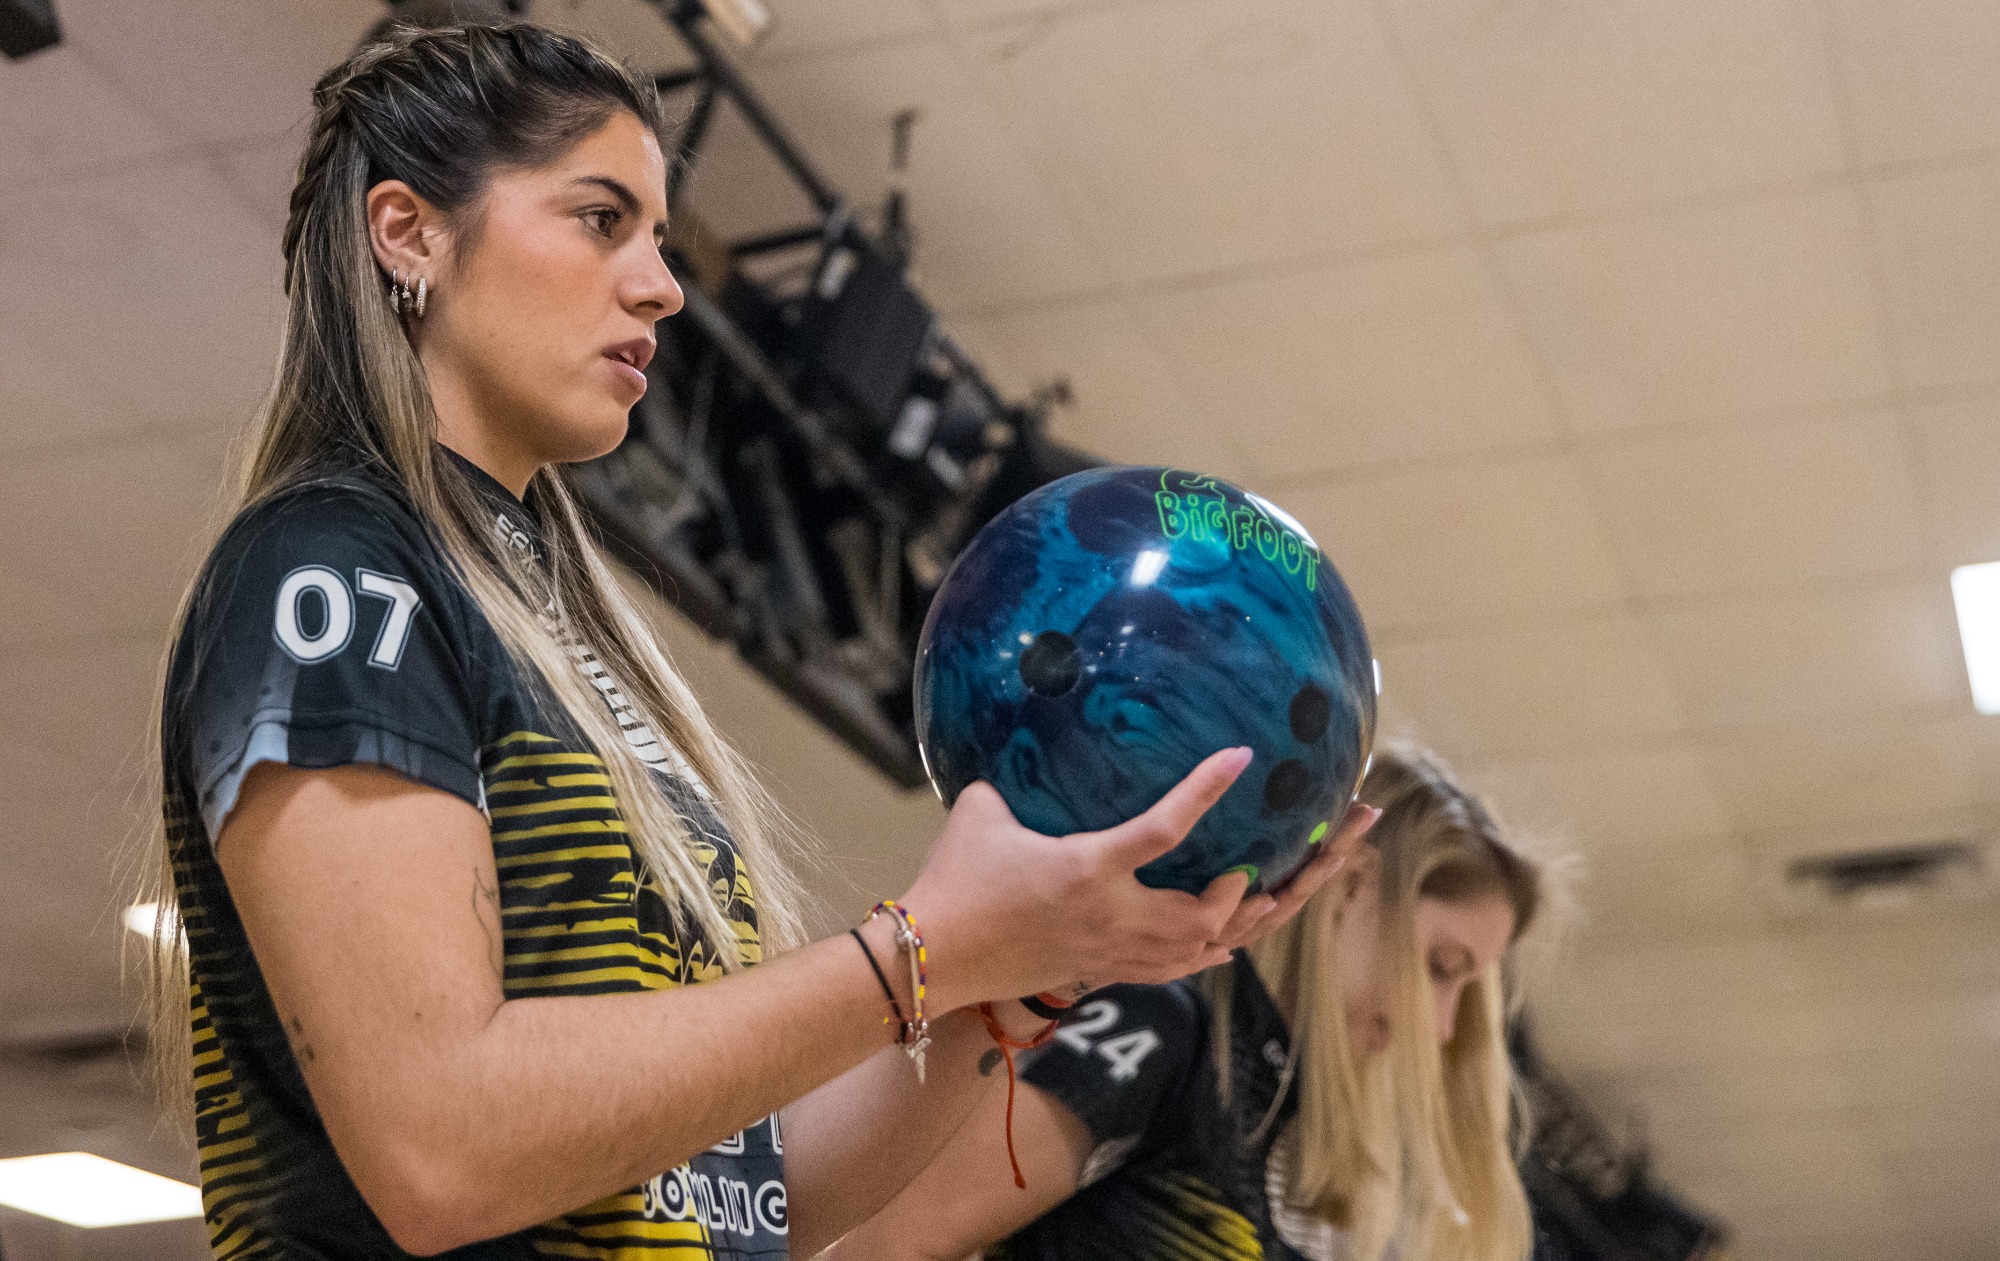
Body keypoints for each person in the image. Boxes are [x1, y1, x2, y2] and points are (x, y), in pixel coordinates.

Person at [134, 23, 1377, 1261]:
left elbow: (754, 1196)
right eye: (598, 218)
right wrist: (919, 948)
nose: (661, 285)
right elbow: (442, 1147)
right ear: (408, 232)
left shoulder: (572, 636)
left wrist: (1013, 980)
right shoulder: (332, 566)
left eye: (658, 240)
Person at [829, 745, 1550, 1261]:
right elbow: (888, 1241)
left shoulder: (1276, 1120)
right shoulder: (1164, 1026)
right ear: (1353, 885)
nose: (1445, 1024)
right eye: (1439, 968)